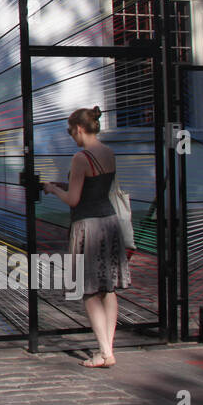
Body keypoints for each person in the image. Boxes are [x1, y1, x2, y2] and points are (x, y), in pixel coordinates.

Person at [42, 106, 130, 368]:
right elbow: (97, 188)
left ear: (79, 129)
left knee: (89, 290)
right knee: (108, 289)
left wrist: (53, 189)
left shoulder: (81, 158)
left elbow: (74, 200)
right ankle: (108, 346)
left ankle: (104, 353)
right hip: (109, 222)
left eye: (71, 132)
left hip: (88, 227)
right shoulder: (109, 153)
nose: (72, 137)